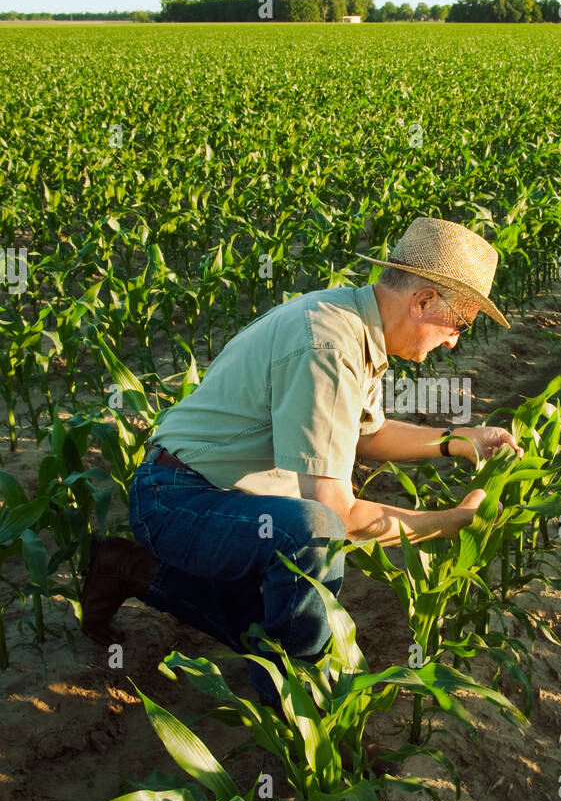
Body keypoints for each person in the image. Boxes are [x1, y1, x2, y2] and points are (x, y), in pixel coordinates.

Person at [81, 217, 521, 703]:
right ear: (421, 300)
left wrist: (456, 440)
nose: (455, 340)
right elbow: (338, 516)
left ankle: (125, 568)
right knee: (312, 535)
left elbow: (366, 436)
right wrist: (454, 522)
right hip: (175, 498)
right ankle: (295, 711)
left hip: (231, 500)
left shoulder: (356, 325)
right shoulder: (328, 345)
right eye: (459, 323)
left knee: (278, 614)